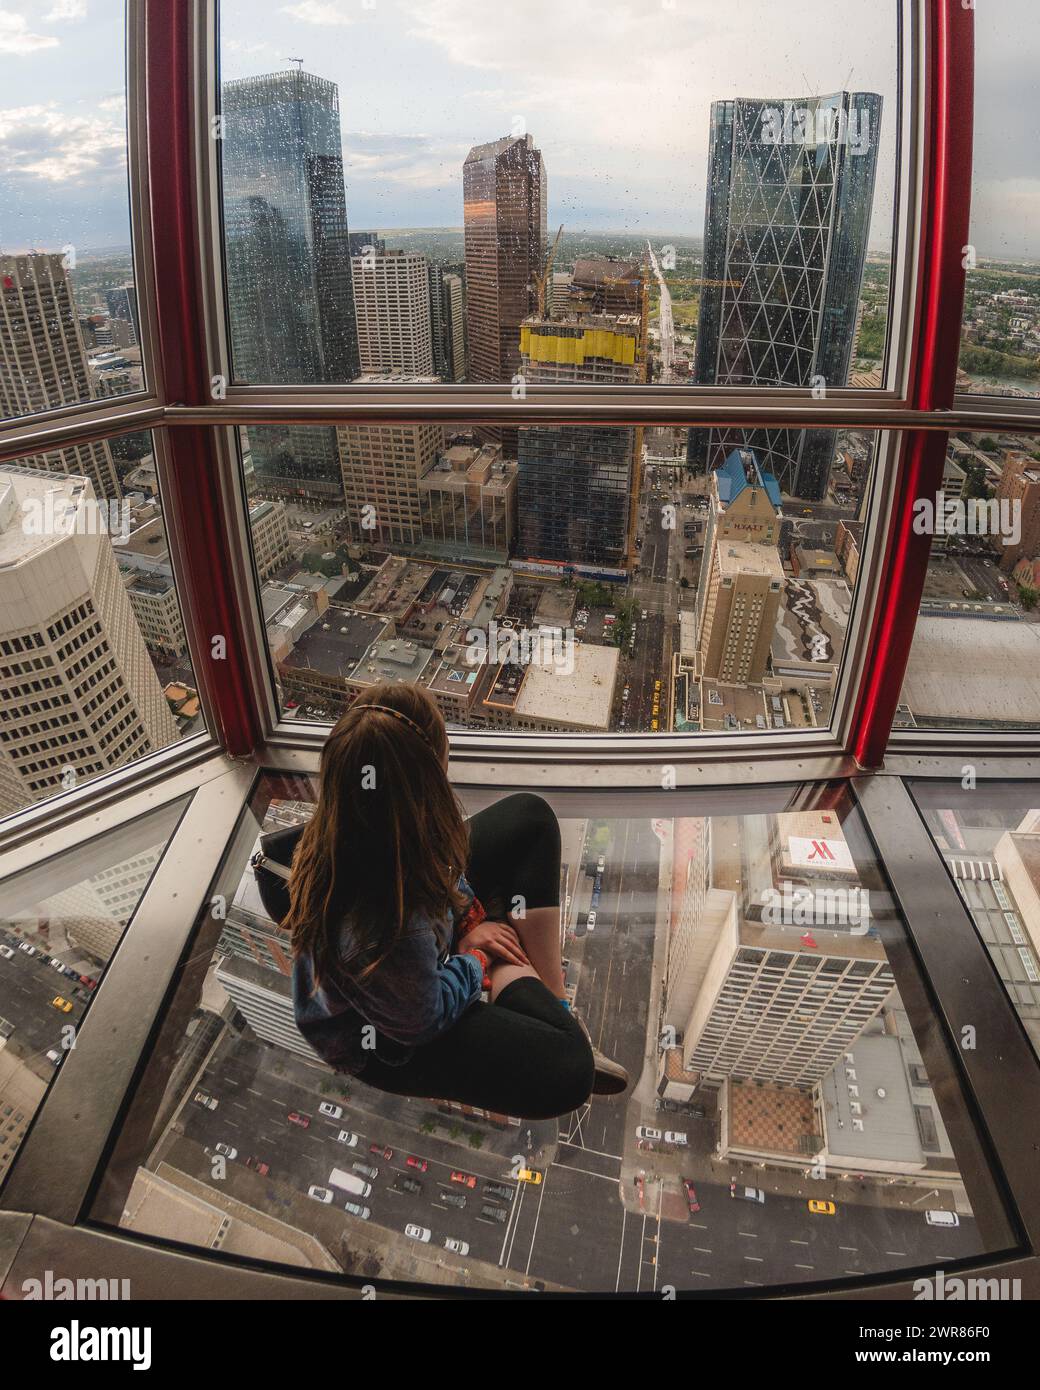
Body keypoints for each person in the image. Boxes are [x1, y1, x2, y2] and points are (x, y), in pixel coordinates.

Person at [285, 683, 628, 1121]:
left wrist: (468, 916)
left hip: (410, 940)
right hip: (386, 1038)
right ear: (427, 783)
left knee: (529, 818)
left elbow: (444, 869)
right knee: (568, 1070)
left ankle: (554, 1006)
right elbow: (422, 1017)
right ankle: (540, 1009)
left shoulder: (365, 820)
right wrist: (475, 957)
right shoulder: (383, 928)